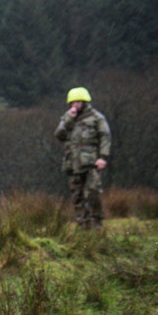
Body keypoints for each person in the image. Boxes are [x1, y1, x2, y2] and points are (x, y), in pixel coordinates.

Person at [54, 87, 111, 229]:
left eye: (78, 102)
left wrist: (103, 157)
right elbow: (59, 135)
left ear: (84, 102)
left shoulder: (96, 118)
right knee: (77, 196)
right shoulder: (67, 118)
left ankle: (97, 224)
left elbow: (105, 137)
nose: (75, 105)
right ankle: (83, 226)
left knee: (93, 192)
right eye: (72, 103)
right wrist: (69, 119)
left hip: (90, 163)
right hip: (72, 164)